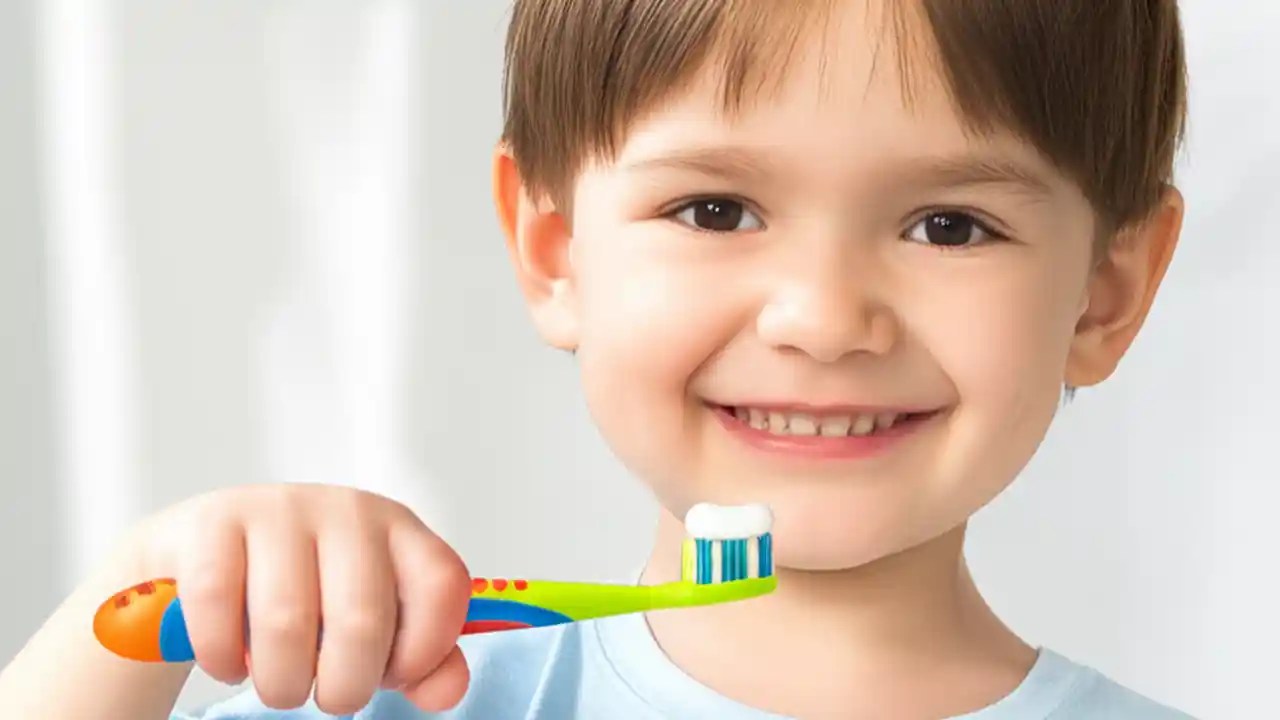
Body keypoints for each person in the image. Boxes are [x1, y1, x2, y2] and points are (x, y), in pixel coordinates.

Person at [0, 0, 1194, 717]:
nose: (823, 320)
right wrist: (137, 590)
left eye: (947, 227)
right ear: (553, 247)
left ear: (1104, 292)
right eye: (716, 210)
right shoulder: (401, 699)